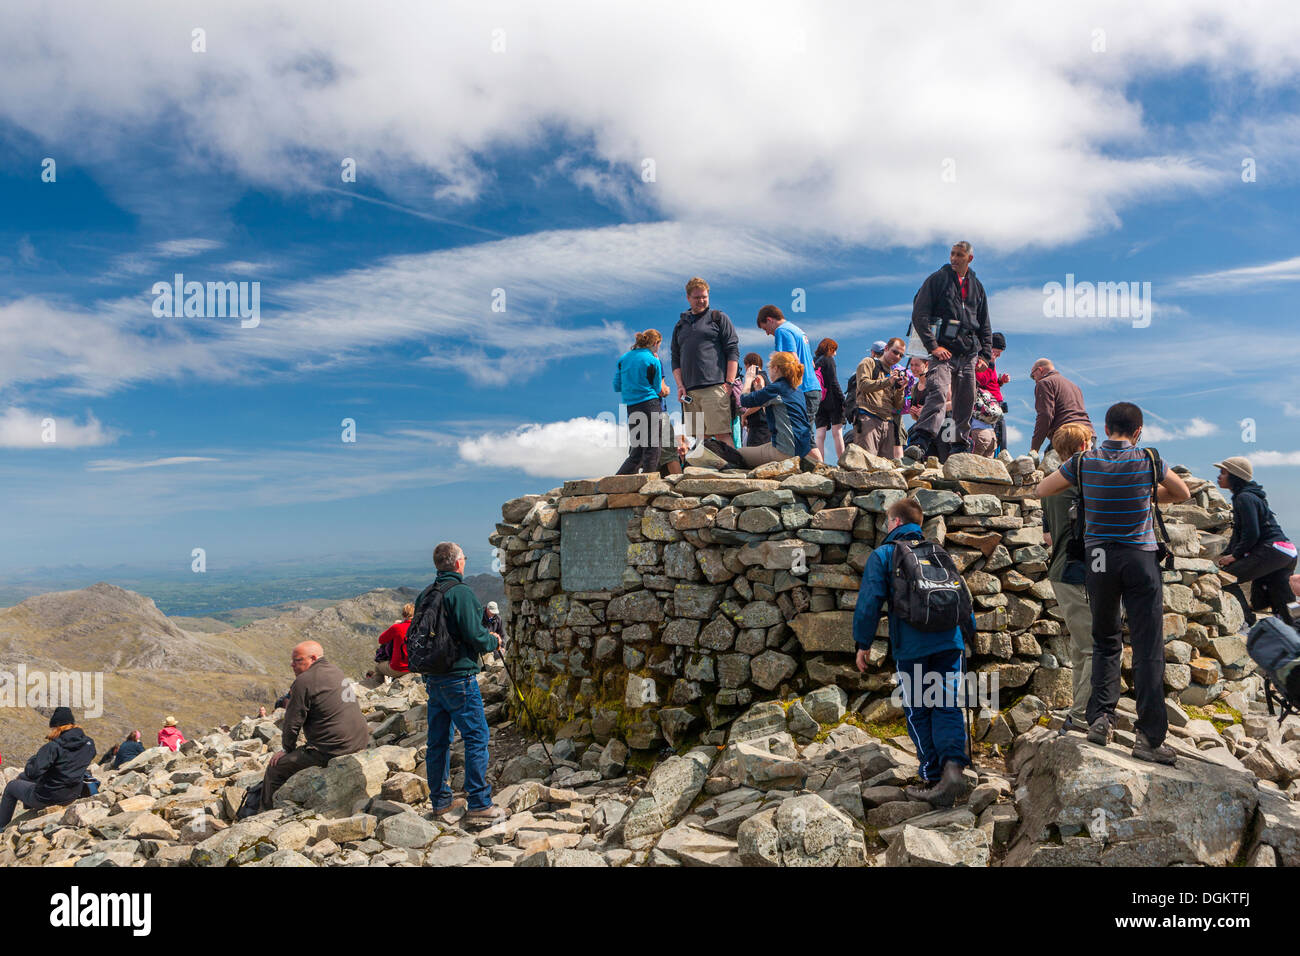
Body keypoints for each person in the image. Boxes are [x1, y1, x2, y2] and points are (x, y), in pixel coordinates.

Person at [1036, 402, 1190, 766]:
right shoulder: (1149, 459)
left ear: (1105, 428)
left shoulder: (1083, 462)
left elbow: (1044, 488)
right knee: (1148, 647)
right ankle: (1149, 739)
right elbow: (1181, 493)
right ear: (1139, 431)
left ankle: (1100, 720)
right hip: (1139, 557)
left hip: (1099, 559)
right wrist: (1146, 495)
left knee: (1105, 640)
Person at [853, 499, 974, 807]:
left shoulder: (884, 555)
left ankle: (933, 778)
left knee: (919, 707)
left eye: (886, 522)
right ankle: (954, 770)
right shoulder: (938, 552)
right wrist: (970, 636)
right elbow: (961, 595)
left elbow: (869, 602)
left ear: (894, 523)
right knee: (947, 702)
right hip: (951, 642)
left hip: (912, 646)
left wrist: (863, 643)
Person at [415, 542, 506, 823]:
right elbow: (476, 636)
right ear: (457, 563)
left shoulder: (425, 595)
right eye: (464, 557)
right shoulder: (461, 592)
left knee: (438, 741)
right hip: (459, 678)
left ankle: (440, 801)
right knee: (476, 736)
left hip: (434, 679)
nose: (464, 561)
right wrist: (495, 640)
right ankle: (479, 803)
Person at [904, 241, 993, 461]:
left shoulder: (977, 286)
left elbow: (985, 323)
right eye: (952, 254)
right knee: (938, 390)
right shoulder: (937, 279)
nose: (954, 258)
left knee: (966, 399)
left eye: (959, 255)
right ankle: (921, 440)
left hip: (969, 353)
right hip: (943, 351)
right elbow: (919, 315)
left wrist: (985, 356)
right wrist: (933, 346)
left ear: (969, 258)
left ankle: (960, 445)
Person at [261, 640, 371, 807]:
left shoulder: (304, 681)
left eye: (297, 660)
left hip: (333, 749)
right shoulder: (336, 670)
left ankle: (266, 812)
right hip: (359, 740)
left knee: (275, 768)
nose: (292, 665)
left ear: (312, 658)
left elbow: (292, 723)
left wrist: (286, 750)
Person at [1039, 423, 1095, 734]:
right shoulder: (1083, 479)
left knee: (1080, 645)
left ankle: (1080, 709)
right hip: (1081, 571)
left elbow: (1048, 535)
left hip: (1061, 569)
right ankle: (1083, 717)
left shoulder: (1052, 483)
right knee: (1093, 647)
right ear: (1085, 444)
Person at [1213, 457, 1297, 626]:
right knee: (1283, 599)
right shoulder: (1252, 496)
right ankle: (1295, 634)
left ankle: (1247, 623)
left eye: (1223, 472)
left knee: (1226, 578)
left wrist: (1234, 556)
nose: (1219, 476)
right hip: (1287, 551)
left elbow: (1251, 532)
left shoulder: (1244, 498)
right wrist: (1230, 553)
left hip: (1273, 550)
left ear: (1235, 476)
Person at [705, 351, 812, 468]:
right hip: (801, 450)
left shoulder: (776, 388)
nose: (769, 370)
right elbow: (778, 412)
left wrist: (748, 380)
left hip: (785, 452)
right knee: (751, 450)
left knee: (738, 453)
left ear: (776, 368)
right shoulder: (797, 391)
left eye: (770, 367)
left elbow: (744, 400)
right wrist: (760, 390)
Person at [671, 277, 740, 447]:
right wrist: (680, 385)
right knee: (700, 437)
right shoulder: (680, 326)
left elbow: (733, 350)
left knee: (722, 434)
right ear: (688, 298)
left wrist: (729, 382)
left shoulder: (718, 318)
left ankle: (732, 469)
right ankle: (706, 471)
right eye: (697, 297)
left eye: (704, 296)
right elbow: (675, 358)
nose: (701, 300)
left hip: (715, 386)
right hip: (690, 392)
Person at [0, 707, 96, 829]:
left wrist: (35, 758)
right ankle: (32, 813)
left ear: (57, 727)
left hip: (49, 797)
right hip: (72, 793)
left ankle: (1, 828)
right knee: (22, 777)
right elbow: (88, 756)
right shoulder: (89, 742)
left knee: (11, 786)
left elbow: (32, 772)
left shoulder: (53, 747)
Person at [756, 305, 823, 460]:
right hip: (812, 386)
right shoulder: (796, 329)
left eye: (765, 328)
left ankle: (821, 470)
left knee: (802, 435)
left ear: (769, 320)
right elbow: (811, 364)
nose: (767, 333)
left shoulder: (782, 331)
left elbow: (792, 360)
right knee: (804, 434)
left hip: (802, 389)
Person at [614, 329, 670, 475]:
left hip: (631, 406)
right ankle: (648, 482)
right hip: (650, 404)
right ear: (655, 343)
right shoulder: (653, 360)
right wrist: (666, 391)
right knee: (653, 445)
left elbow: (617, 385)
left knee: (637, 449)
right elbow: (658, 388)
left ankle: (616, 482)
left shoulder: (623, 359)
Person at [853, 337, 907, 456]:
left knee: (886, 469)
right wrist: (888, 381)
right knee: (866, 464)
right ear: (886, 348)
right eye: (895, 352)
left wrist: (900, 389)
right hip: (868, 417)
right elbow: (862, 385)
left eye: (901, 355)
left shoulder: (894, 374)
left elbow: (898, 406)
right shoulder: (869, 362)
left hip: (888, 423)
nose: (897, 357)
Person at [1029, 358, 1093, 454]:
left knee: (1049, 466)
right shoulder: (1075, 386)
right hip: (1089, 435)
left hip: (1069, 436)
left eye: (1033, 376)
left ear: (1040, 370)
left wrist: (1034, 449)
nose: (1034, 380)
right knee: (1087, 468)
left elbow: (1045, 415)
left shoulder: (1044, 383)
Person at [813, 338, 847, 463]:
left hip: (819, 400)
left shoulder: (814, 361)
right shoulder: (829, 360)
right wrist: (843, 400)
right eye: (834, 350)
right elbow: (833, 381)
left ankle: (819, 463)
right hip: (833, 400)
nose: (835, 353)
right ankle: (843, 461)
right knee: (837, 432)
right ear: (830, 349)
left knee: (820, 433)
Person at [373, 602, 415, 680]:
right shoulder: (420, 627)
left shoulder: (397, 628)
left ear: (403, 615)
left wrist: (395, 625)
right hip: (416, 667)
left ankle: (377, 689)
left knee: (378, 668)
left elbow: (381, 640)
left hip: (399, 668)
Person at [984, 332, 1011, 451]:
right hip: (989, 406)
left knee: (1001, 439)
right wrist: (990, 364)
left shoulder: (991, 363)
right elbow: (982, 381)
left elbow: (990, 382)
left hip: (997, 405)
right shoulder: (983, 361)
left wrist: (1000, 381)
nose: (998, 356)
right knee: (993, 439)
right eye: (997, 352)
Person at [740, 352, 771, 447]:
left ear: (749, 365)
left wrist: (744, 415)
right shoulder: (766, 378)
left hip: (759, 425)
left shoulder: (757, 379)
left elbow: (759, 402)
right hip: (766, 423)